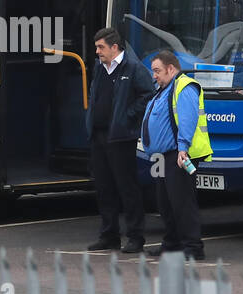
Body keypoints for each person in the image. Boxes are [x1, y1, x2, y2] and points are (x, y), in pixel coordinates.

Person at [86, 27, 155, 253]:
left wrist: (127, 117)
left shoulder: (134, 68)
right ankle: (109, 235)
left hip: (121, 137)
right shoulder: (99, 67)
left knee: (127, 188)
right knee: (104, 188)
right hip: (99, 135)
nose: (97, 52)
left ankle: (135, 237)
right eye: (97, 47)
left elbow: (148, 96)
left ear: (114, 47)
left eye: (101, 47)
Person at [140, 50, 213, 261]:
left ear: (171, 69)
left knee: (181, 202)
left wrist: (183, 149)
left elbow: (188, 120)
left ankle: (193, 246)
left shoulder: (184, 87)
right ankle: (172, 243)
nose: (154, 76)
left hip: (179, 154)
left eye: (157, 71)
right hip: (164, 155)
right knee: (165, 202)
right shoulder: (165, 88)